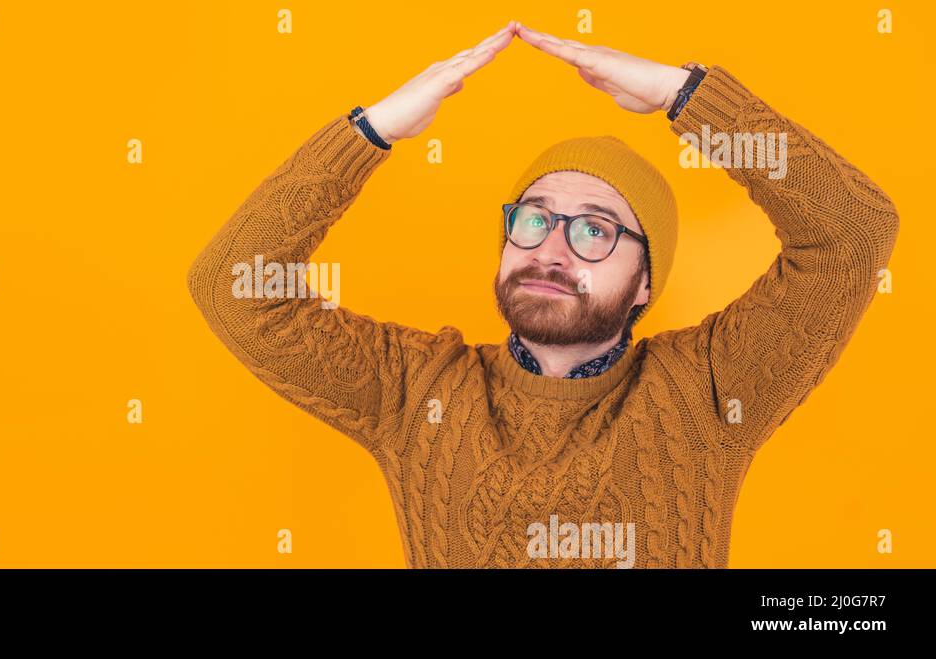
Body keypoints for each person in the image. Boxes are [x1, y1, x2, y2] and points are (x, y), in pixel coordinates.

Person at [186, 22, 899, 568]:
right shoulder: (415, 388)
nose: (550, 250)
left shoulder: (708, 385)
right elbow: (232, 285)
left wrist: (687, 96)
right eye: (532, 220)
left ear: (646, 278)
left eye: (594, 230)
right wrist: (370, 132)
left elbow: (853, 231)